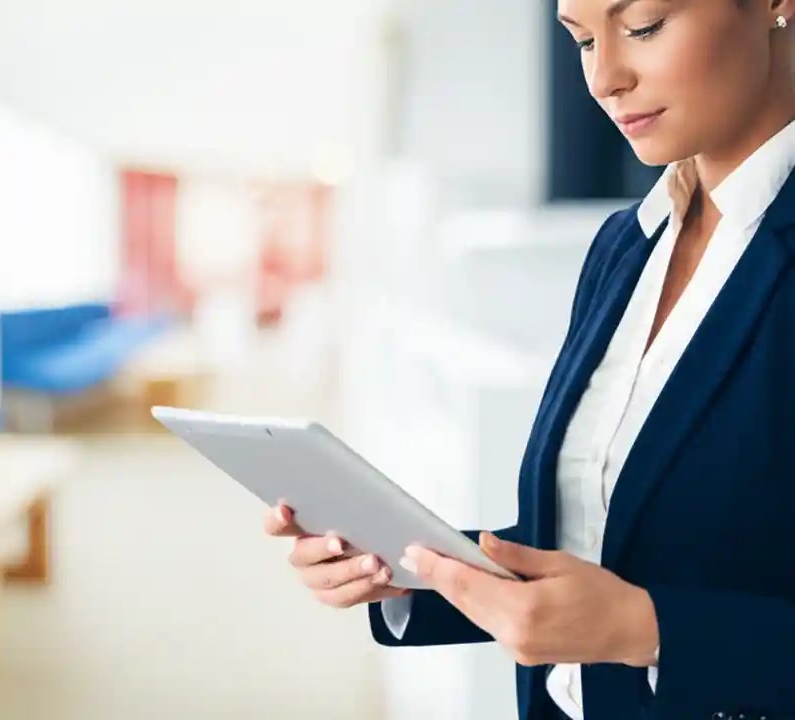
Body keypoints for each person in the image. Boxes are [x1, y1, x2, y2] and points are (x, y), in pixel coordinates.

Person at [263, 1, 795, 718]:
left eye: (642, 27)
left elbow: (638, 607)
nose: (605, 77)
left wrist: (647, 632)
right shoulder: (627, 246)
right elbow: (598, 536)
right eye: (580, 41)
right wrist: (406, 567)